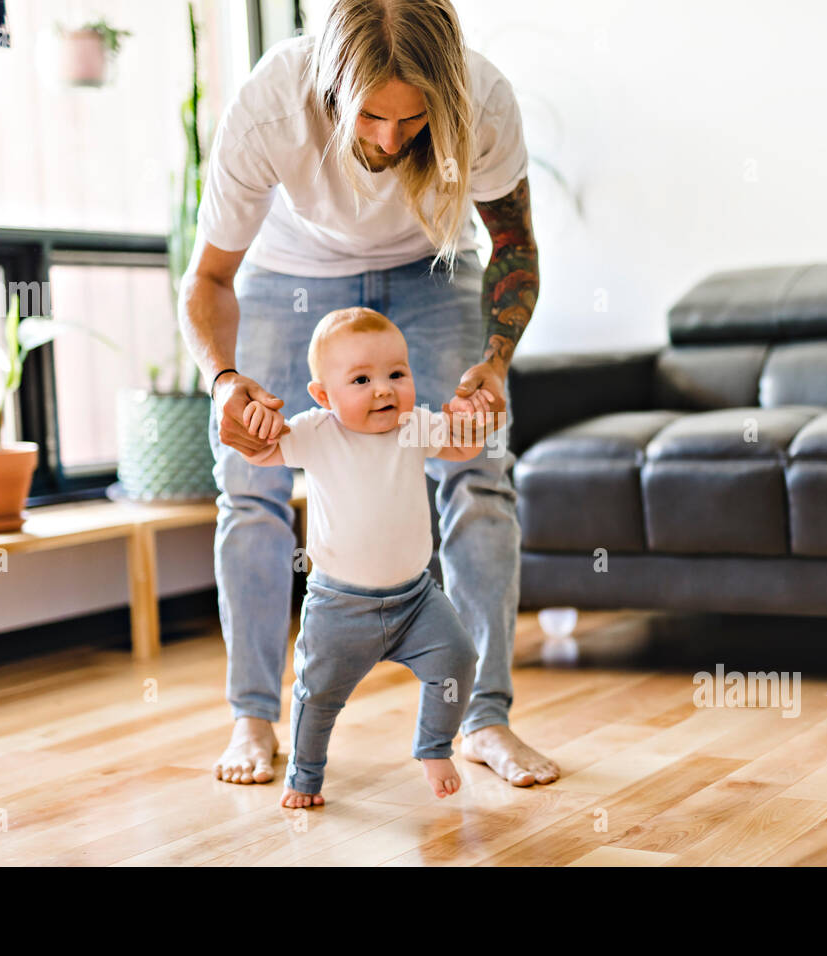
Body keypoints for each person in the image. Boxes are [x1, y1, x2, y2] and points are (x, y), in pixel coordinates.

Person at [180, 0, 559, 789]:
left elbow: (514, 244)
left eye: (414, 118)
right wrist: (223, 383)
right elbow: (209, 278)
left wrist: (493, 360)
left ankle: (484, 719)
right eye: (372, 116)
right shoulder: (272, 105)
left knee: (478, 468)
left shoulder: (482, 100)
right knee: (248, 479)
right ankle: (253, 718)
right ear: (329, 88)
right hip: (290, 271)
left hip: (430, 264)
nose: (391, 139)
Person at [240, 307, 499, 807]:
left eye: (397, 374)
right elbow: (261, 453)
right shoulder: (316, 432)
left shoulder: (414, 425)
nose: (384, 389)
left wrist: (475, 423)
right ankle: (305, 774)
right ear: (323, 395)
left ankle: (434, 746)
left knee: (459, 658)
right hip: (339, 606)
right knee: (317, 696)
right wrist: (259, 425)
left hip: (417, 599)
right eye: (361, 379)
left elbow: (463, 450)